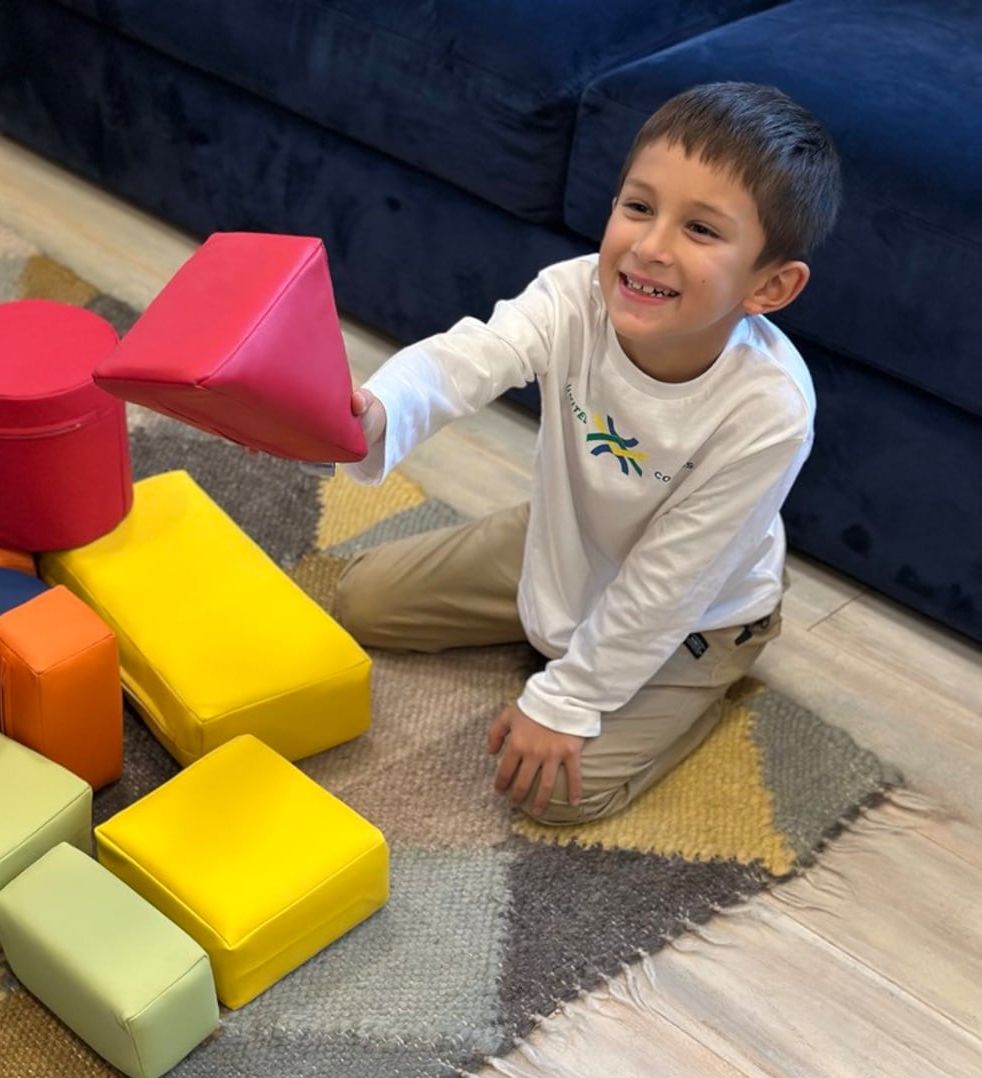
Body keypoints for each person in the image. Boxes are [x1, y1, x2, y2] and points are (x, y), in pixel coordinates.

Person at [333, 81, 842, 825]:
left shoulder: (771, 410)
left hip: (700, 607)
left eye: (700, 230)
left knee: (561, 793)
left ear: (770, 284)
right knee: (358, 600)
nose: (649, 245)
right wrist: (373, 413)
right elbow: (467, 357)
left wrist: (566, 699)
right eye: (638, 207)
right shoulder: (573, 295)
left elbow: (671, 580)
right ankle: (559, 597)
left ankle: (707, 682)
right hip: (572, 538)